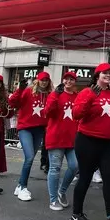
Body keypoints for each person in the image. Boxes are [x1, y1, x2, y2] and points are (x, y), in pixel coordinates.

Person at [69, 63, 110, 220]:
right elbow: (77, 114)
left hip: (107, 143)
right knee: (85, 177)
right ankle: (76, 214)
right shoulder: (87, 92)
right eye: (105, 73)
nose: (109, 75)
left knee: (109, 179)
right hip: (87, 141)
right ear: (97, 76)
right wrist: (92, 96)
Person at [9, 71, 52, 201]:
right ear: (37, 80)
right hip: (25, 128)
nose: (44, 82)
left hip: (39, 129)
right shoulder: (28, 92)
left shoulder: (49, 95)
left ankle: (20, 185)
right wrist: (19, 90)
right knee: (29, 157)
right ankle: (23, 187)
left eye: (46, 80)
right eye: (42, 79)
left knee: (31, 158)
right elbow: (13, 102)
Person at [45, 72, 79, 211]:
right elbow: (48, 112)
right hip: (56, 137)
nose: (69, 81)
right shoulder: (55, 95)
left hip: (72, 139)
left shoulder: (77, 96)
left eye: (72, 79)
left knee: (75, 165)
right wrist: (54, 95)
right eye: (66, 79)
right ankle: (53, 199)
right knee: (55, 168)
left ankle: (61, 191)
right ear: (63, 80)